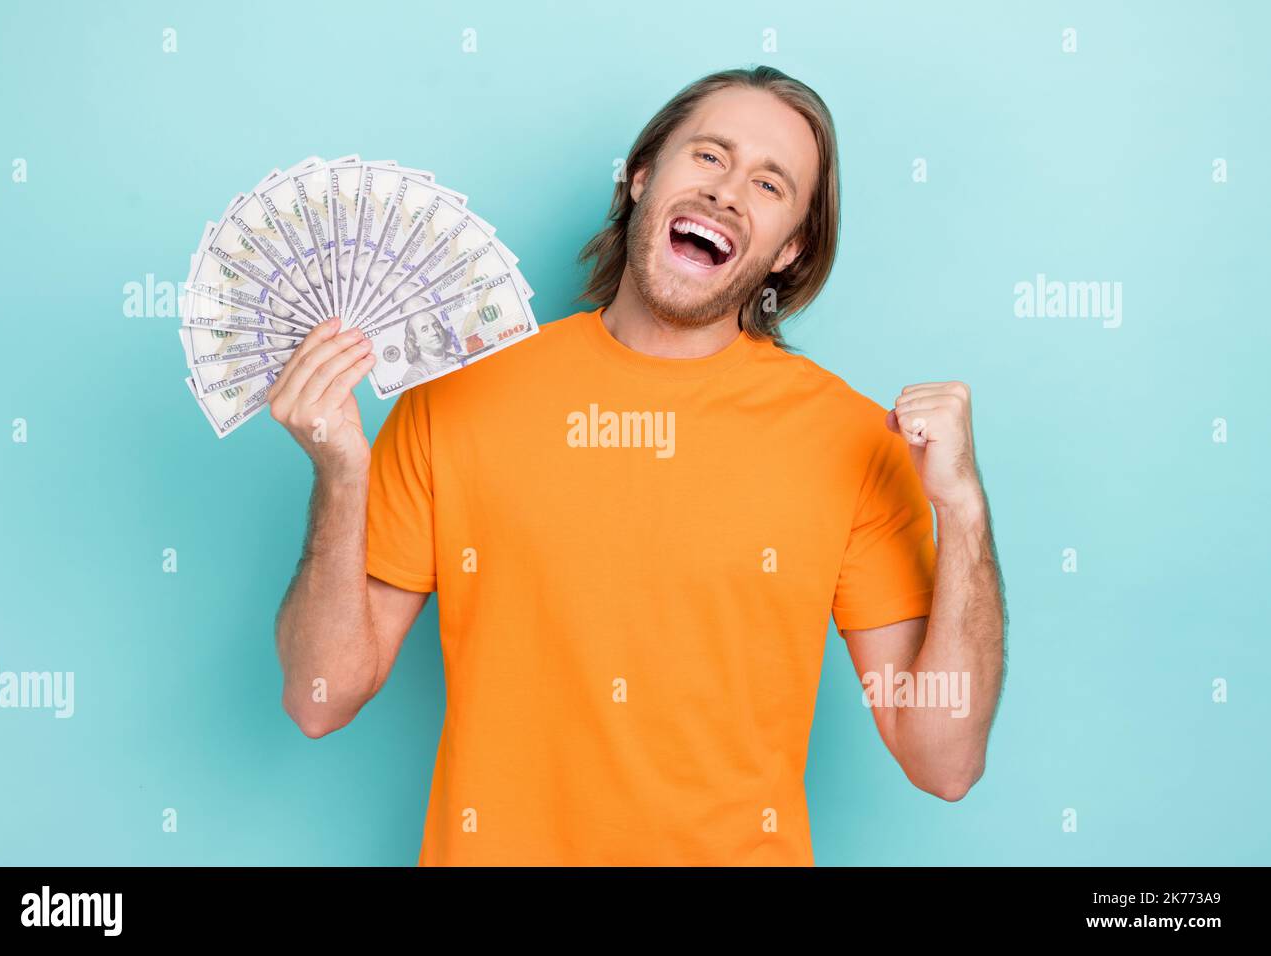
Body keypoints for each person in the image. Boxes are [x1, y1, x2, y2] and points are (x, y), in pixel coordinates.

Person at [267, 65, 1005, 866]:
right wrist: (341, 475)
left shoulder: (854, 442)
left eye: (768, 183)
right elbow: (320, 697)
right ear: (642, 176)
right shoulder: (458, 397)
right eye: (710, 157)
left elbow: (945, 762)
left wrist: (963, 512)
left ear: (790, 249)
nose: (726, 193)